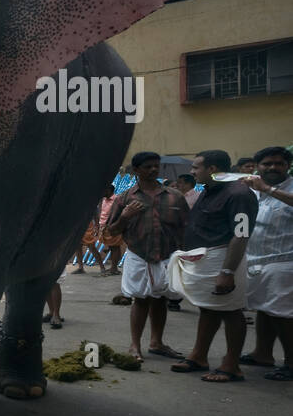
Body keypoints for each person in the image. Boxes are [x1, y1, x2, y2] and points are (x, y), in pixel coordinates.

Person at [168, 151, 259, 383]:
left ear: (212, 169)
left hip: (225, 260)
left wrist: (227, 272)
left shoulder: (238, 194)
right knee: (208, 308)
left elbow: (241, 235)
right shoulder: (210, 190)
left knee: (230, 311)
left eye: (196, 167)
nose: (191, 172)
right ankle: (199, 356)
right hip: (205, 259)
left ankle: (232, 366)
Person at [103, 151, 188, 362]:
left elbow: (186, 227)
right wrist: (125, 216)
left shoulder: (174, 196)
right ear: (136, 170)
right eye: (148, 166)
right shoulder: (125, 198)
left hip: (168, 255)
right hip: (138, 255)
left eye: (156, 166)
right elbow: (111, 232)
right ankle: (135, 345)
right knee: (140, 300)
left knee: (160, 298)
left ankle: (156, 343)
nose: (153, 170)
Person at [239, 146, 293, 380]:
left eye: (279, 163)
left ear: (287, 166)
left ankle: (291, 363)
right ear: (257, 166)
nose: (272, 167)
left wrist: (268, 189)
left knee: (283, 314)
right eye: (267, 164)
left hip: (284, 260)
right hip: (255, 259)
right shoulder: (250, 190)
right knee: (264, 309)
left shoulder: (282, 188)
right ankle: (262, 353)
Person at [97, 183, 124, 274]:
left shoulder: (117, 200)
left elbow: (120, 214)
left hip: (113, 227)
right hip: (104, 227)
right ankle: (114, 267)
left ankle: (114, 268)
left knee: (115, 247)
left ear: (109, 190)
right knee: (112, 247)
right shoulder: (103, 200)